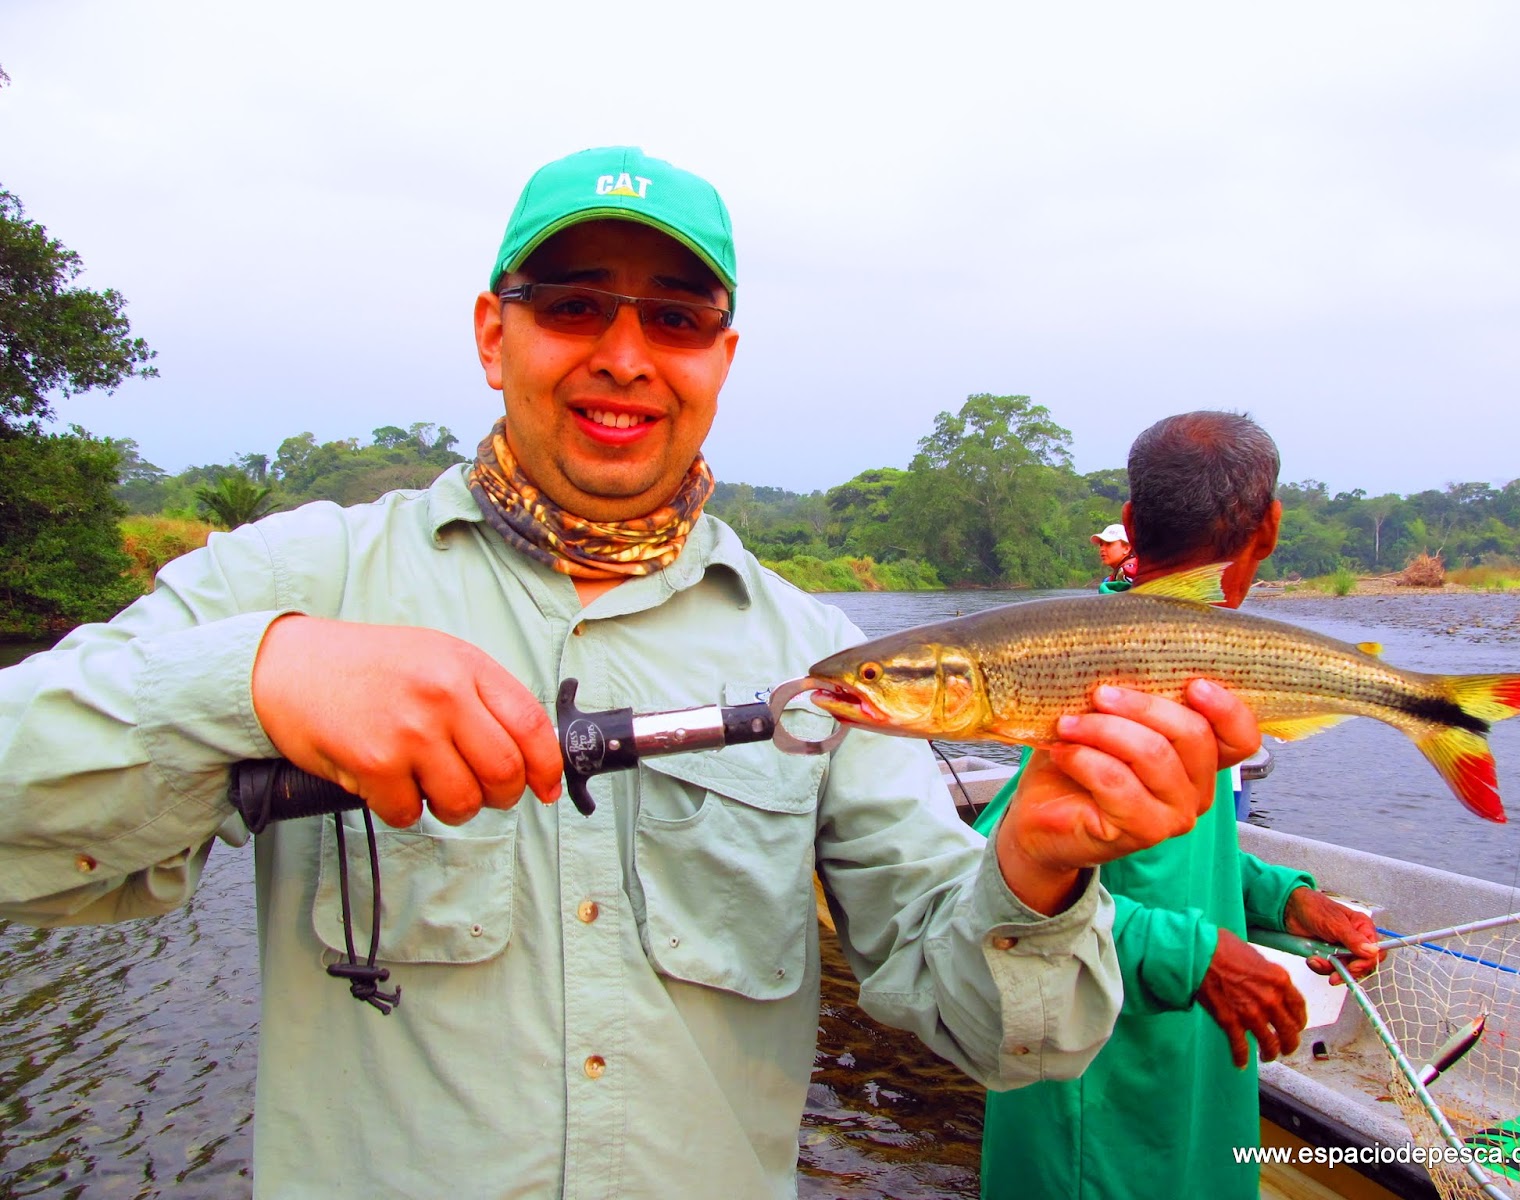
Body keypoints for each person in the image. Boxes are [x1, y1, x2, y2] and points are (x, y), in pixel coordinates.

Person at [0, 150, 1259, 1198]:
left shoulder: (821, 663)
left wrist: (1039, 868)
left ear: (720, 355)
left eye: (675, 316)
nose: (624, 352)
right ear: (495, 335)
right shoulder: (295, 582)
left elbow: (1006, 1038)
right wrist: (258, 678)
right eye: (571, 304)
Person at [976, 411, 1383, 1200]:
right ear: (1270, 528)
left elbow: (1177, 850)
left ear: (1130, 524)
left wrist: (1287, 903)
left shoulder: (1214, 664)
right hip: (1098, 1095)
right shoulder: (1079, 663)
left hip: (1202, 1074)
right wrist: (1193, 954)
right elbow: (989, 883)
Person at [1091, 521, 1137, 585]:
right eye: (1101, 544)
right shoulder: (1116, 576)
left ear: (1126, 549)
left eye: (1109, 544)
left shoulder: (1129, 572)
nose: (1102, 549)